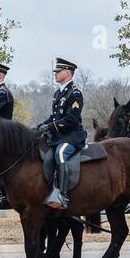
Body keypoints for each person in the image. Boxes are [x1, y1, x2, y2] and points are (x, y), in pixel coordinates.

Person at [37, 57, 84, 209]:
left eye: (59, 71)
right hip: (58, 136)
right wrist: (41, 125)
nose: (55, 73)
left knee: (60, 154)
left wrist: (49, 127)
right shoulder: (58, 93)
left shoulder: (75, 93)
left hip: (72, 136)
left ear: (68, 73)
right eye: (56, 71)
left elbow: (71, 120)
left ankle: (62, 195)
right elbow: (55, 117)